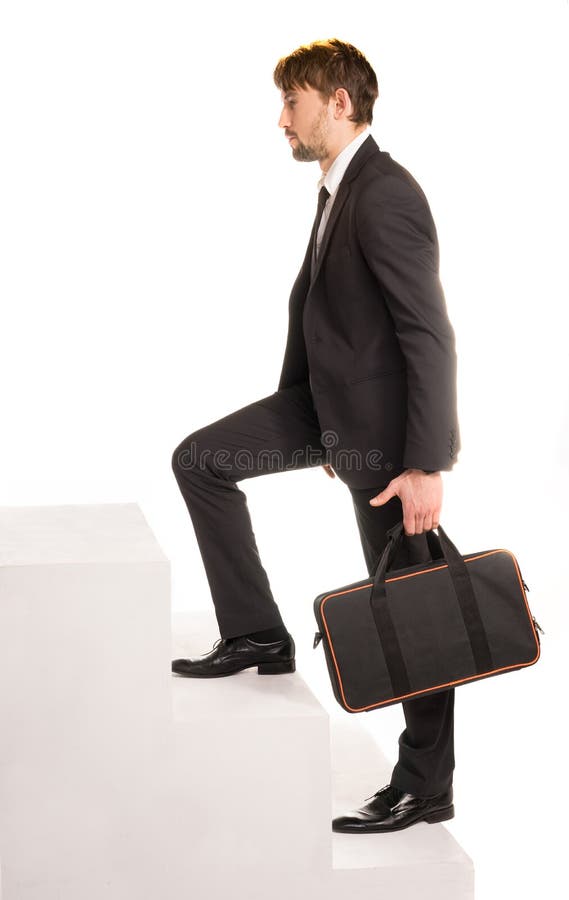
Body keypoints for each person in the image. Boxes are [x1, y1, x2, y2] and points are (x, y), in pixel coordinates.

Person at [171, 38, 461, 833]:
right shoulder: (341, 186)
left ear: (337, 102)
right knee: (201, 459)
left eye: (291, 103)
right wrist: (305, 418)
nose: (280, 121)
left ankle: (423, 785)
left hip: (385, 446)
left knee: (416, 607)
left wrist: (425, 464)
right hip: (322, 411)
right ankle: (258, 633)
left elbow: (427, 335)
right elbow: (318, 310)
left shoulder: (385, 193)